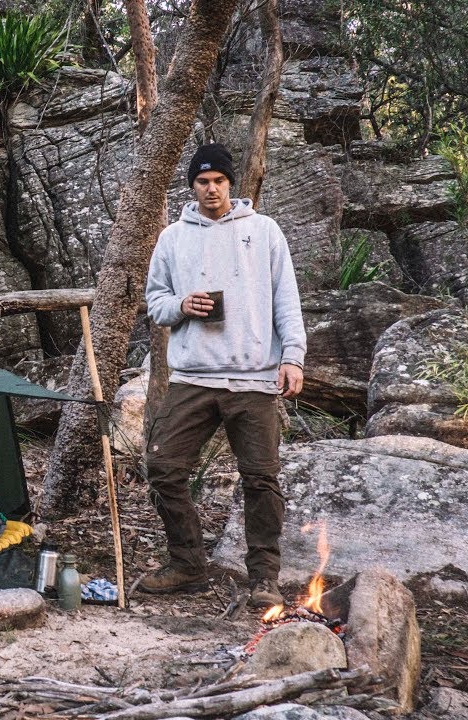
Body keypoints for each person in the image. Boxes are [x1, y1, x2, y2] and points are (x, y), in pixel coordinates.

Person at [138, 143, 306, 609]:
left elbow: (285, 301)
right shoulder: (174, 237)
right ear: (191, 187)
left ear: (232, 184)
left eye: (219, 182)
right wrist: (182, 306)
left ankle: (264, 577)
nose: (211, 190)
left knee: (260, 479)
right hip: (193, 375)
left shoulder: (265, 231)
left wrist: (293, 356)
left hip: (253, 378)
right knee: (164, 467)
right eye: (202, 182)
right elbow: (155, 303)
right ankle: (189, 564)